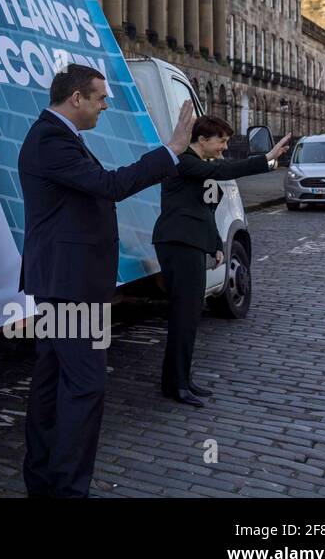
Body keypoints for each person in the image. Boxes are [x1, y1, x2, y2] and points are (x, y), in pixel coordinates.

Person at [18, 63, 194, 498]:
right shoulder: (50, 139)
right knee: (83, 387)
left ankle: (45, 483)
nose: (105, 106)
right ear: (76, 98)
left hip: (67, 285)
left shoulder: (60, 137)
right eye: (100, 98)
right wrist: (171, 149)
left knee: (52, 384)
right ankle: (68, 490)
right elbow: (110, 186)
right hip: (70, 288)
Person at [152, 116, 291, 406]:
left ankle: (180, 379)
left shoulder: (200, 167)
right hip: (177, 244)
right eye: (222, 141)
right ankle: (175, 384)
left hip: (191, 243)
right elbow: (224, 169)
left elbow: (204, 209)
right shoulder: (184, 161)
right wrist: (265, 158)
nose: (224, 147)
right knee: (184, 316)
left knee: (189, 317)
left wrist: (215, 245)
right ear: (202, 140)